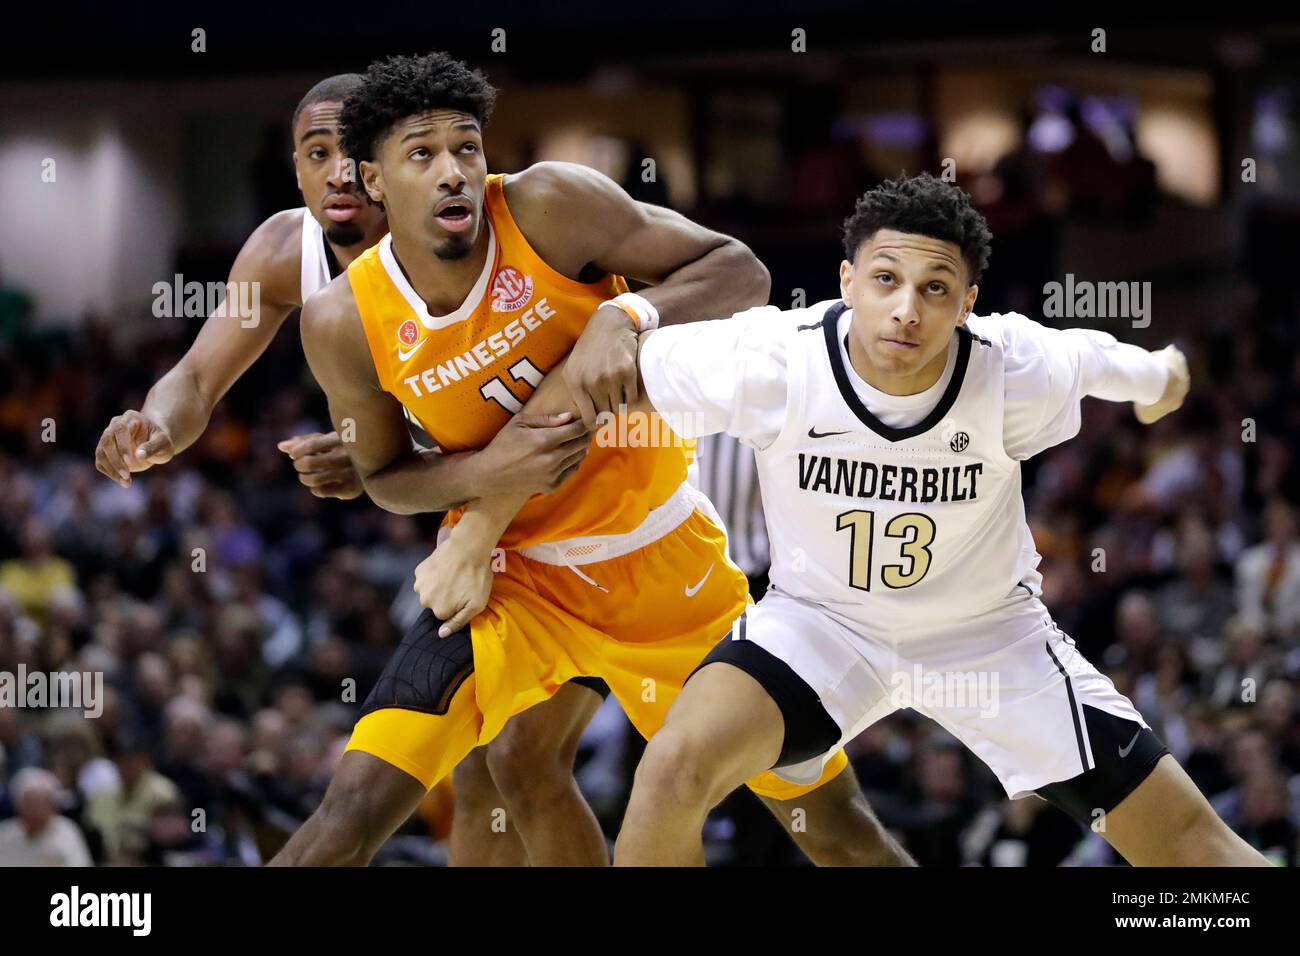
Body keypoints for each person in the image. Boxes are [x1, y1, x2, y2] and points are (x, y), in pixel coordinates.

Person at [274, 51, 908, 867]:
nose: (453, 173)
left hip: (661, 567)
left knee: (835, 824)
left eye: (466, 147)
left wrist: (630, 314)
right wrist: (483, 478)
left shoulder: (549, 205)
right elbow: (388, 481)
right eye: (421, 155)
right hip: (511, 578)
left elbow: (742, 271)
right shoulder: (340, 322)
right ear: (373, 179)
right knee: (359, 806)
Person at [612, 172, 1269, 865]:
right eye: (886, 278)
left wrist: (1163, 376)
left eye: (935, 288)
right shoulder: (770, 357)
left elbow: (1116, 363)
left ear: (967, 304)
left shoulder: (1015, 367)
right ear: (847, 280)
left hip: (989, 638)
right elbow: (610, 369)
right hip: (820, 626)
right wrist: (611, 325)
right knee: (671, 771)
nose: (906, 310)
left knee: (1194, 849)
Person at [90, 74, 628, 867]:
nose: (337, 173)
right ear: (297, 169)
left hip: (579, 498)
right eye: (317, 154)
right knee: (492, 767)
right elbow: (199, 379)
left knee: (509, 762)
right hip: (460, 512)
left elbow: (539, 386)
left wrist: (397, 452)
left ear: (380, 166)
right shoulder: (284, 253)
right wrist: (154, 425)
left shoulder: (462, 235)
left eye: (350, 153)